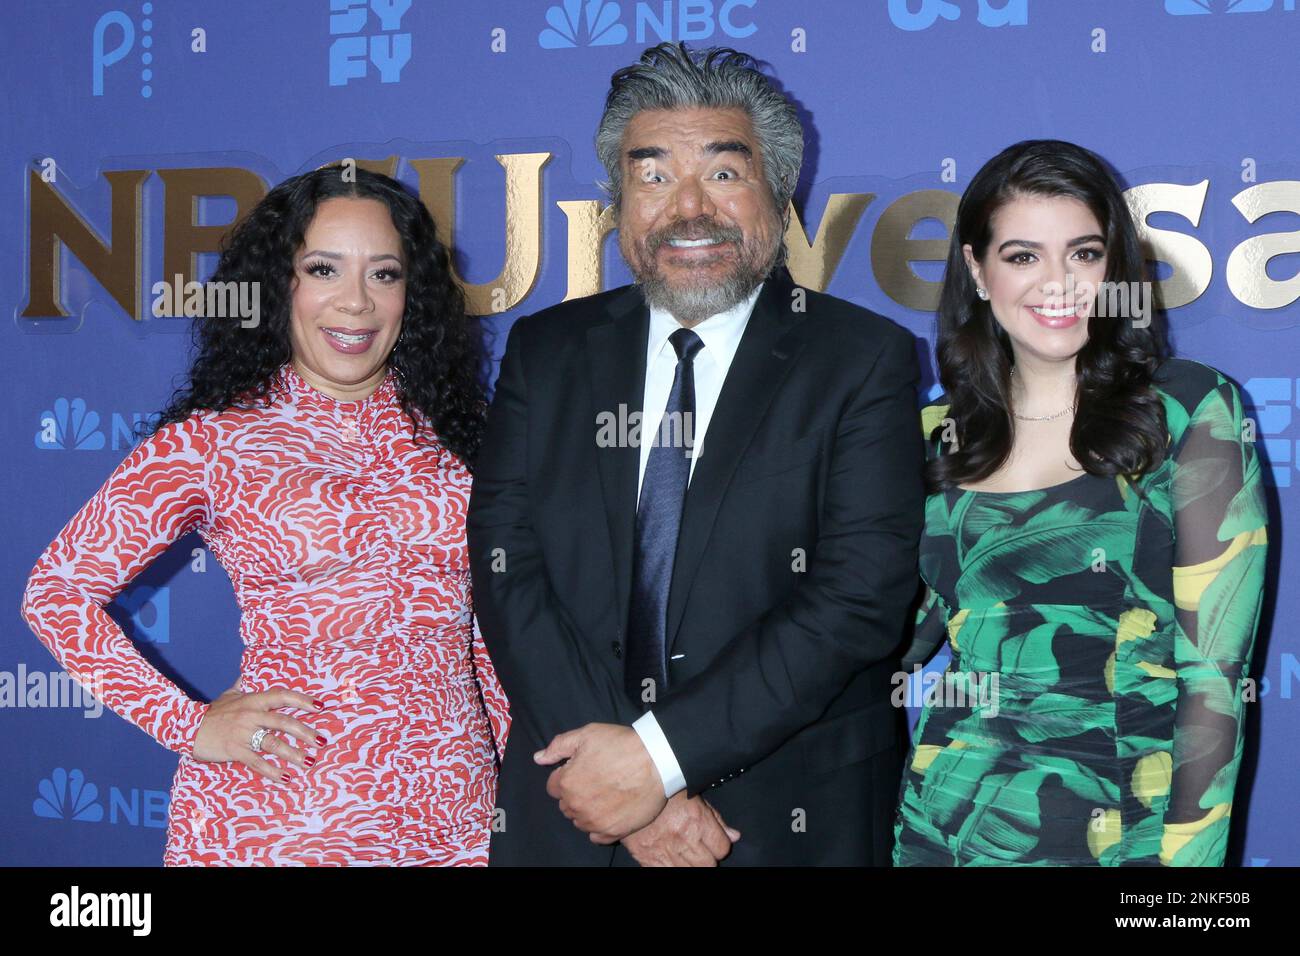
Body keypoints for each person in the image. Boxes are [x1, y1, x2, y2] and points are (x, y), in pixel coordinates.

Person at [468, 42, 924, 866]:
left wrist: (657, 763)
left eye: (721, 173)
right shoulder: (547, 351)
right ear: (616, 199)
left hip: (784, 817)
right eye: (651, 175)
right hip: (577, 814)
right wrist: (626, 791)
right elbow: (510, 573)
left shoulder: (862, 360)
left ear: (779, 193)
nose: (687, 208)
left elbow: (857, 598)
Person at [21, 166, 509, 865]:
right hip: (279, 820)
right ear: (278, 284)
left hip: (457, 822)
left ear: (414, 293)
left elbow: (482, 628)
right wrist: (190, 725)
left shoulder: (457, 434)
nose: (356, 302)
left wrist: (518, 755)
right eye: (323, 269)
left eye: (384, 274)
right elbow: (58, 592)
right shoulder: (215, 440)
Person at [893, 140, 1268, 866]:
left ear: (1115, 268)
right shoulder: (931, 439)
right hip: (944, 832)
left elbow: (1213, 685)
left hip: (1126, 838)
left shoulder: (1189, 411)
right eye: (1023, 256)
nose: (1058, 283)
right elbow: (879, 646)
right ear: (977, 270)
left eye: (1085, 254)